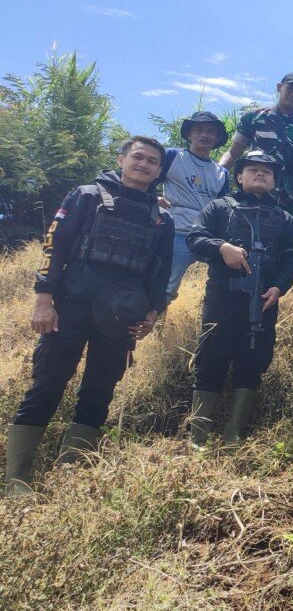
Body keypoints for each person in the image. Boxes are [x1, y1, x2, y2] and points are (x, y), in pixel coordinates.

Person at [5, 137, 173, 495]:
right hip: (70, 306)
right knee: (49, 382)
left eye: (152, 161)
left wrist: (154, 312)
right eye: (137, 157)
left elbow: (161, 273)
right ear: (121, 159)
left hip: (120, 316)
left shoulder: (161, 217)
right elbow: (55, 245)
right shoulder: (86, 195)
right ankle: (17, 479)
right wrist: (43, 298)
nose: (144, 164)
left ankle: (72, 474)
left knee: (99, 390)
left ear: (159, 171)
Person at [185, 150, 293, 449]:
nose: (260, 174)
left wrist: (279, 288)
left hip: (263, 301)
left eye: (267, 171)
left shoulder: (284, 218)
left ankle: (234, 433)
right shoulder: (220, 207)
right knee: (211, 358)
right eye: (253, 169)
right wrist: (222, 246)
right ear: (239, 176)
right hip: (223, 298)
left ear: (275, 180)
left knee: (253, 360)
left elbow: (291, 259)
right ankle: (197, 435)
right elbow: (195, 239)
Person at [220, 73, 293, 228]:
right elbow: (234, 153)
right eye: (291, 88)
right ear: (279, 87)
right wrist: (215, 176)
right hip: (260, 192)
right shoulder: (253, 118)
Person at [158, 110, 231, 301]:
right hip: (177, 231)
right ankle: (153, 323)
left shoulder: (221, 173)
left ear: (217, 138)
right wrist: (152, 198)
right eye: (198, 130)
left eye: (210, 131)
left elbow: (223, 209)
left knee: (223, 280)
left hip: (207, 235)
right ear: (189, 134)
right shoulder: (173, 156)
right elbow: (147, 179)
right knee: (166, 285)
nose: (204, 135)